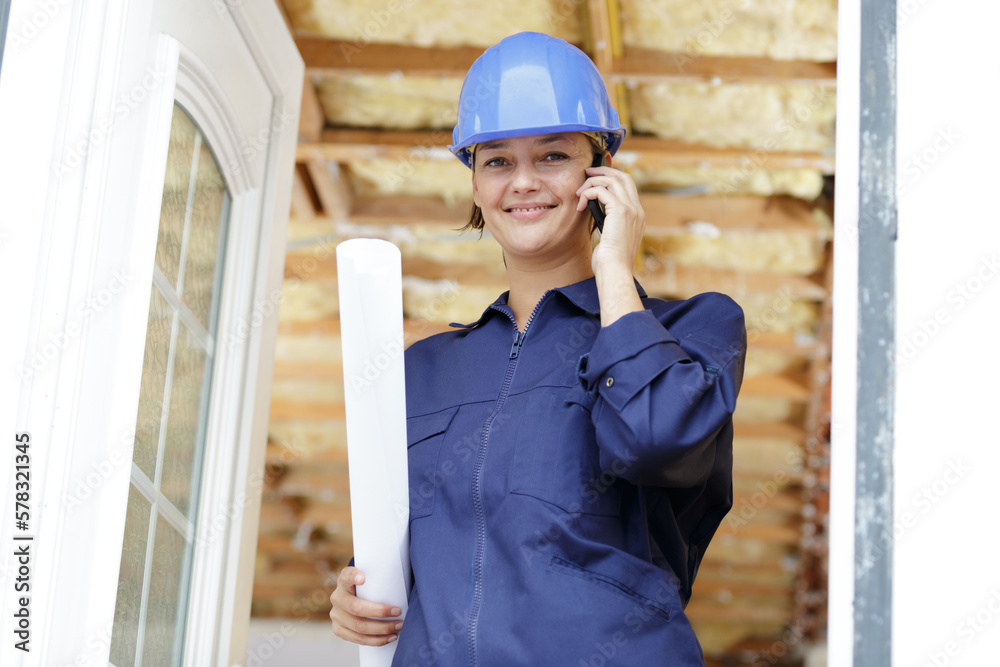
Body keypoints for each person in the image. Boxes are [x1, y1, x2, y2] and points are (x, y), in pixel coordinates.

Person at [329, 31, 746, 666]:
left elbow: (657, 441)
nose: (523, 181)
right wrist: (357, 591)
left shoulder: (692, 330)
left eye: (552, 156)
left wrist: (613, 268)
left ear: (599, 172)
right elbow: (401, 547)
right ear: (473, 185)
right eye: (497, 161)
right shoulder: (420, 372)